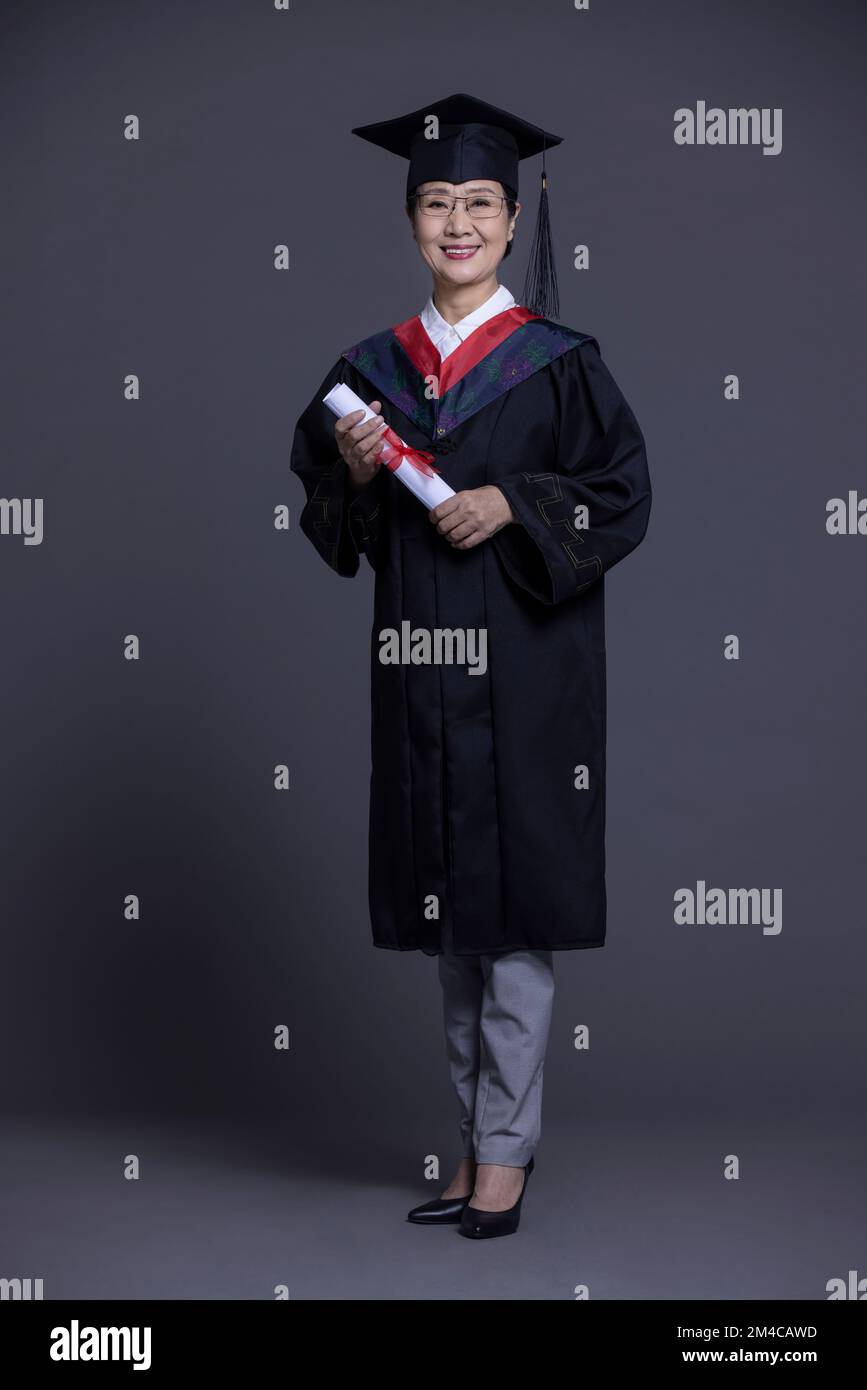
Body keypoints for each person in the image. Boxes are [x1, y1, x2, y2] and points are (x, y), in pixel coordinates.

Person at [289, 94, 652, 1239]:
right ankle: (472, 1143)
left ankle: (506, 1154)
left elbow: (623, 496)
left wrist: (515, 499)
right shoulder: (369, 371)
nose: (459, 222)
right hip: (422, 677)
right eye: (437, 202)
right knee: (453, 931)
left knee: (515, 925)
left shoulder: (560, 365)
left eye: (480, 203)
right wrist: (352, 474)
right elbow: (330, 525)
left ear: (510, 220)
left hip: (531, 678)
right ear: (412, 221)